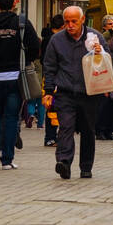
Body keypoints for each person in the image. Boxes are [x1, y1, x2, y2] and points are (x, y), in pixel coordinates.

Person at [0, 0, 40, 170]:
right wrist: (25, 60)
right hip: (16, 76)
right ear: (14, 3)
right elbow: (35, 46)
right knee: (11, 117)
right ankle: (7, 159)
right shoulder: (21, 23)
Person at [43, 6, 102, 180]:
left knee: (88, 130)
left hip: (89, 92)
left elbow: (108, 60)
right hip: (65, 92)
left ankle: (86, 167)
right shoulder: (56, 40)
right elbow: (49, 67)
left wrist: (101, 52)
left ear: (82, 20)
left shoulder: (94, 37)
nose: (70, 25)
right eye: (67, 21)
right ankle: (64, 162)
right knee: (65, 128)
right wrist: (48, 92)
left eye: (74, 21)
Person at [41, 13, 64, 145]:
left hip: (48, 76)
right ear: (62, 26)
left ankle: (51, 136)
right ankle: (50, 137)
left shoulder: (47, 38)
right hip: (54, 77)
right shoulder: (55, 39)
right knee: (52, 107)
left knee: (51, 107)